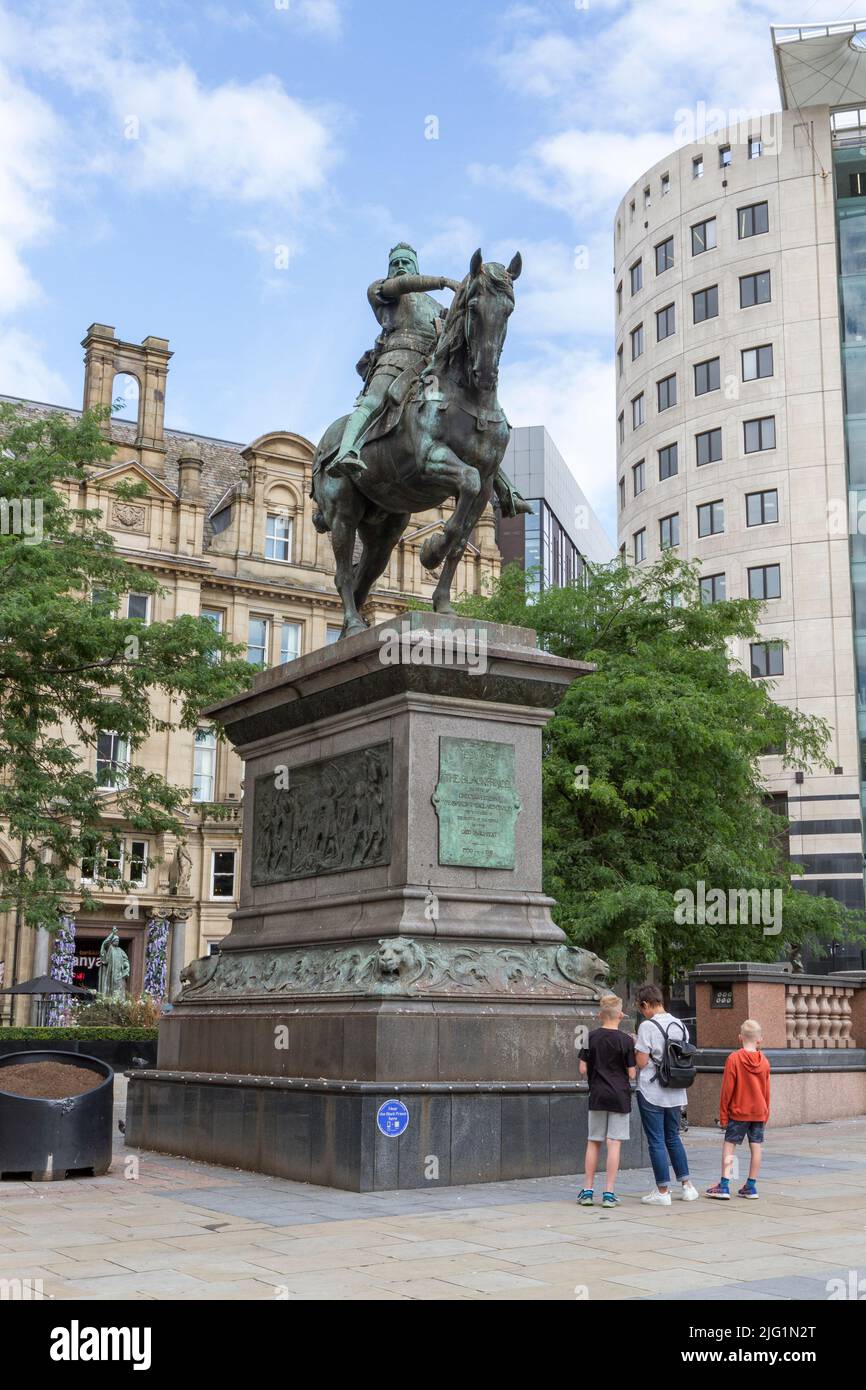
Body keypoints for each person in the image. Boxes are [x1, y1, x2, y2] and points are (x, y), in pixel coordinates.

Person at [634, 984, 699, 1205]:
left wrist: (636, 1046)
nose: (642, 1012)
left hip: (653, 1090)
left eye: (641, 1008)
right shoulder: (680, 1024)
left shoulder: (647, 1026)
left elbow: (642, 1062)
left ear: (646, 1004)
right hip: (676, 1090)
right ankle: (687, 1186)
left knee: (656, 1140)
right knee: (673, 1137)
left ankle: (662, 1191)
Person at [577, 993, 636, 1208]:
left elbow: (582, 1068)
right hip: (620, 1095)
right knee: (614, 1142)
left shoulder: (589, 1037)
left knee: (594, 1141)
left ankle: (588, 1190)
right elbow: (631, 1074)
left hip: (598, 1094)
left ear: (600, 1014)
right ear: (620, 1015)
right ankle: (609, 1193)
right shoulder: (626, 1040)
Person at [705, 1018, 771, 1200]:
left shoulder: (734, 1059)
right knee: (756, 1147)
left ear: (740, 1037)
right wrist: (765, 1113)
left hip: (739, 1111)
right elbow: (766, 1091)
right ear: (759, 1040)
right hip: (758, 1111)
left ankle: (725, 1185)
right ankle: (751, 1185)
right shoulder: (764, 1062)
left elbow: (727, 1090)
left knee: (729, 1146)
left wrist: (723, 1115)